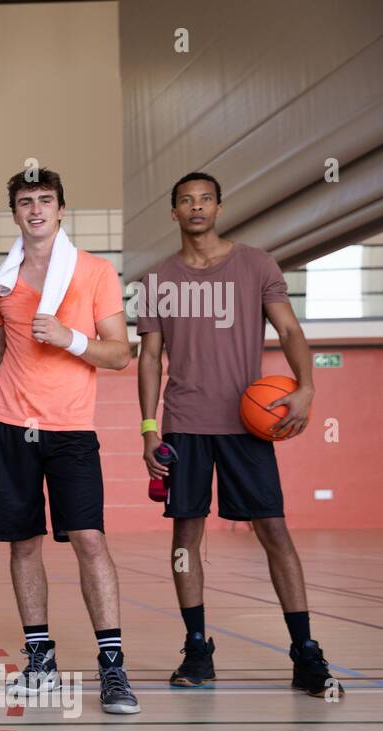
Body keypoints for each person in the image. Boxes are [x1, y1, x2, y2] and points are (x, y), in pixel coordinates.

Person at [137, 171, 342, 698]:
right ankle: (198, 648)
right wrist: (147, 428)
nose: (196, 207)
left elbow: (291, 329)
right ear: (175, 212)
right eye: (186, 200)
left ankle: (305, 652)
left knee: (274, 532)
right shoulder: (158, 278)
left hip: (248, 425)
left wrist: (307, 386)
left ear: (219, 208)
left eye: (205, 199)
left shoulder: (256, 264)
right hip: (183, 424)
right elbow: (151, 357)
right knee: (186, 537)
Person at [0, 167, 140, 715]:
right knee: (23, 542)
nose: (36, 209)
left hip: (70, 430)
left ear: (62, 209)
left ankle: (112, 666)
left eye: (46, 200)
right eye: (25, 201)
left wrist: (70, 338)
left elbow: (120, 353)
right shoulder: (1, 280)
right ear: (16, 212)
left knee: (90, 539)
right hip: (9, 426)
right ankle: (40, 659)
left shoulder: (94, 272)